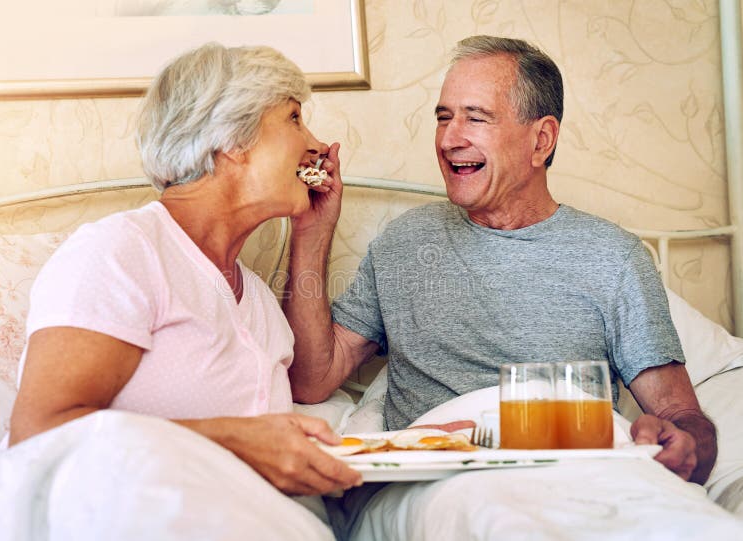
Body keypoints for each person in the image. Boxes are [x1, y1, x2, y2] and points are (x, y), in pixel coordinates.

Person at [283, 35, 718, 537]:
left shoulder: (613, 256)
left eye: (476, 117)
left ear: (541, 140)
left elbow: (682, 414)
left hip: (576, 465)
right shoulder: (406, 242)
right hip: (446, 479)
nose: (449, 139)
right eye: (444, 117)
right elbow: (313, 380)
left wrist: (684, 441)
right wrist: (312, 235)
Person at [7, 42, 361, 534]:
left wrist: (313, 234)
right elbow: (39, 434)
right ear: (233, 139)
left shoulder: (253, 295)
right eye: (295, 118)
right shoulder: (121, 252)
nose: (317, 144)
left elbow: (309, 385)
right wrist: (234, 441)